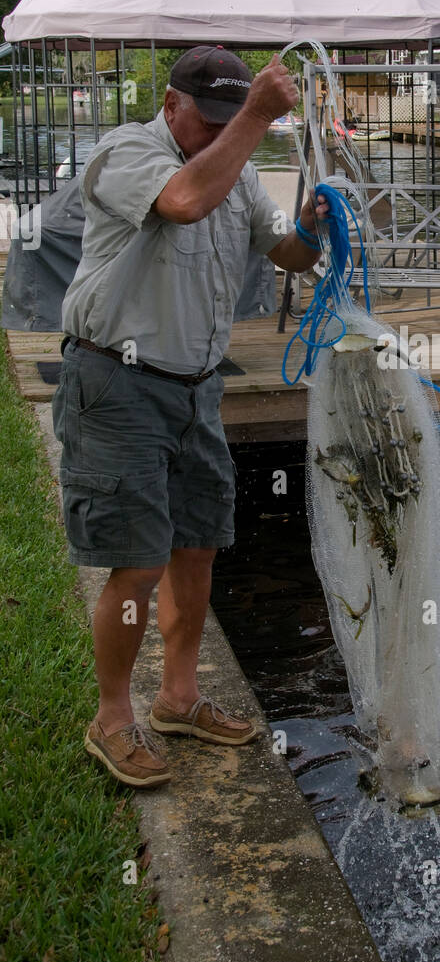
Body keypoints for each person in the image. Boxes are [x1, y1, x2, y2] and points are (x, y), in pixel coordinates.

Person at [52, 45, 329, 788]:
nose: (216, 133)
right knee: (136, 561)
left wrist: (310, 227)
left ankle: (179, 698)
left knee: (197, 547)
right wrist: (256, 118)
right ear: (170, 104)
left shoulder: (232, 173)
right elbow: (181, 201)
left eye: (227, 120)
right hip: (117, 382)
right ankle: (113, 718)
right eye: (207, 119)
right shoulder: (125, 152)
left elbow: (288, 256)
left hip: (196, 388)